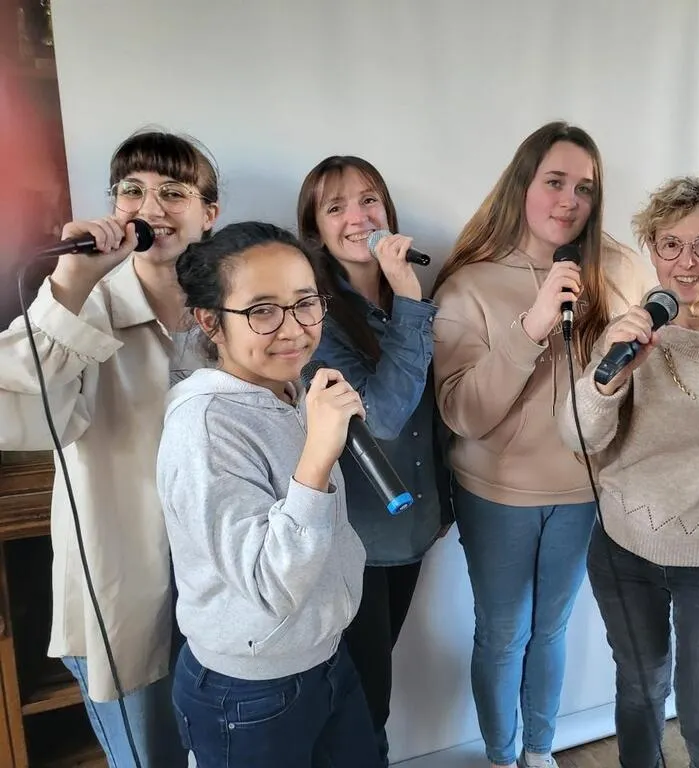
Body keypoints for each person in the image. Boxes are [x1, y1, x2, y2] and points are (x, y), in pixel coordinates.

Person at [432, 121, 650, 768]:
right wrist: (528, 329)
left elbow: (639, 386)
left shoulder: (618, 269)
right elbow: (463, 413)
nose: (570, 200)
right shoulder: (469, 284)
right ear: (521, 184)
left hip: (583, 492)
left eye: (585, 187)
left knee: (551, 629)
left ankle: (539, 751)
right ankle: (501, 757)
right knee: (503, 634)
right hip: (495, 494)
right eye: (554, 181)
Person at [0, 129, 220, 767]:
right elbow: (18, 409)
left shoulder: (228, 310)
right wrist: (70, 281)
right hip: (127, 581)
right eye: (132, 190)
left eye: (173, 192)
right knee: (150, 756)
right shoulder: (81, 309)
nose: (150, 207)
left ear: (209, 215)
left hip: (217, 572)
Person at [561, 176, 699, 768]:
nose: (687, 262)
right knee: (640, 690)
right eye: (670, 245)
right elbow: (577, 435)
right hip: (626, 552)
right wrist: (611, 375)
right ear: (653, 251)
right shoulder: (629, 334)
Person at [156, 222, 381, 767]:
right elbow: (269, 583)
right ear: (211, 322)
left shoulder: (290, 390)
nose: (294, 329)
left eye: (306, 303)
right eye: (262, 310)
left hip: (325, 656)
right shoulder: (204, 428)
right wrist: (318, 457)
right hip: (247, 690)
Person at [297, 155, 452, 765]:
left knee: (373, 677)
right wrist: (414, 306)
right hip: (354, 541)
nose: (358, 218)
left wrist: (447, 498)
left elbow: (433, 413)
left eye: (369, 201)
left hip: (412, 528)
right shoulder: (315, 319)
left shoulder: (401, 303)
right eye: (335, 207)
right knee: (366, 698)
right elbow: (381, 419)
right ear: (316, 231)